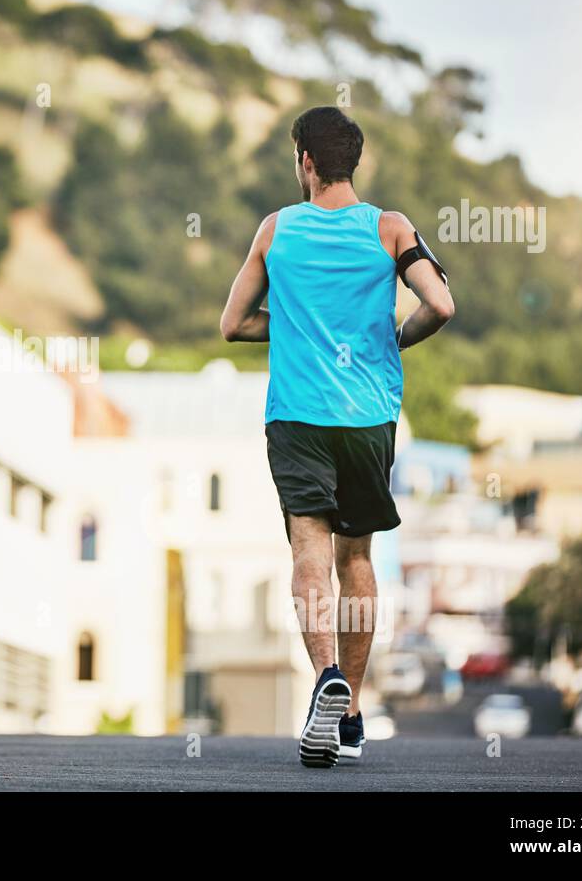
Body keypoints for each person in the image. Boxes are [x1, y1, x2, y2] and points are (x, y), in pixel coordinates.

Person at [219, 106, 454, 768]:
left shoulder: (276, 231)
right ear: (353, 162)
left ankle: (324, 674)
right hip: (367, 417)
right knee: (358, 563)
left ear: (306, 163)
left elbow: (232, 324)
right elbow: (440, 304)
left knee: (308, 552)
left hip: (297, 416)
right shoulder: (390, 228)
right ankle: (349, 715)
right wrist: (394, 336)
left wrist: (294, 323)